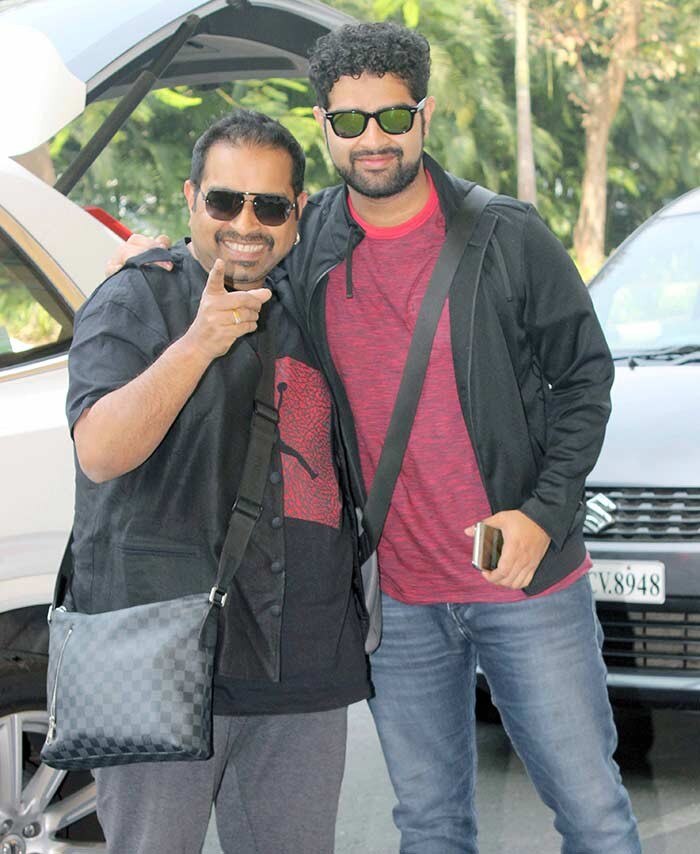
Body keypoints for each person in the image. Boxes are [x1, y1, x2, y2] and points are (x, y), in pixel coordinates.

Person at [111, 22, 642, 854]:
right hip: (395, 601)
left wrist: (542, 512)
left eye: (392, 118)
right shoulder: (309, 234)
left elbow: (585, 380)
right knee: (429, 825)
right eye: (350, 121)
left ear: (424, 117)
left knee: (594, 816)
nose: (372, 140)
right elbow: (235, 246)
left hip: (527, 582)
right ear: (324, 125)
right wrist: (159, 257)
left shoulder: (509, 236)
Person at [67, 109, 370, 854]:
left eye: (270, 205)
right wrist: (200, 341)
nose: (246, 223)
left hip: (300, 666)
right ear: (190, 197)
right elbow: (100, 451)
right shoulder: (136, 298)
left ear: (298, 212)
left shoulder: (314, 304)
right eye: (224, 201)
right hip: (158, 664)